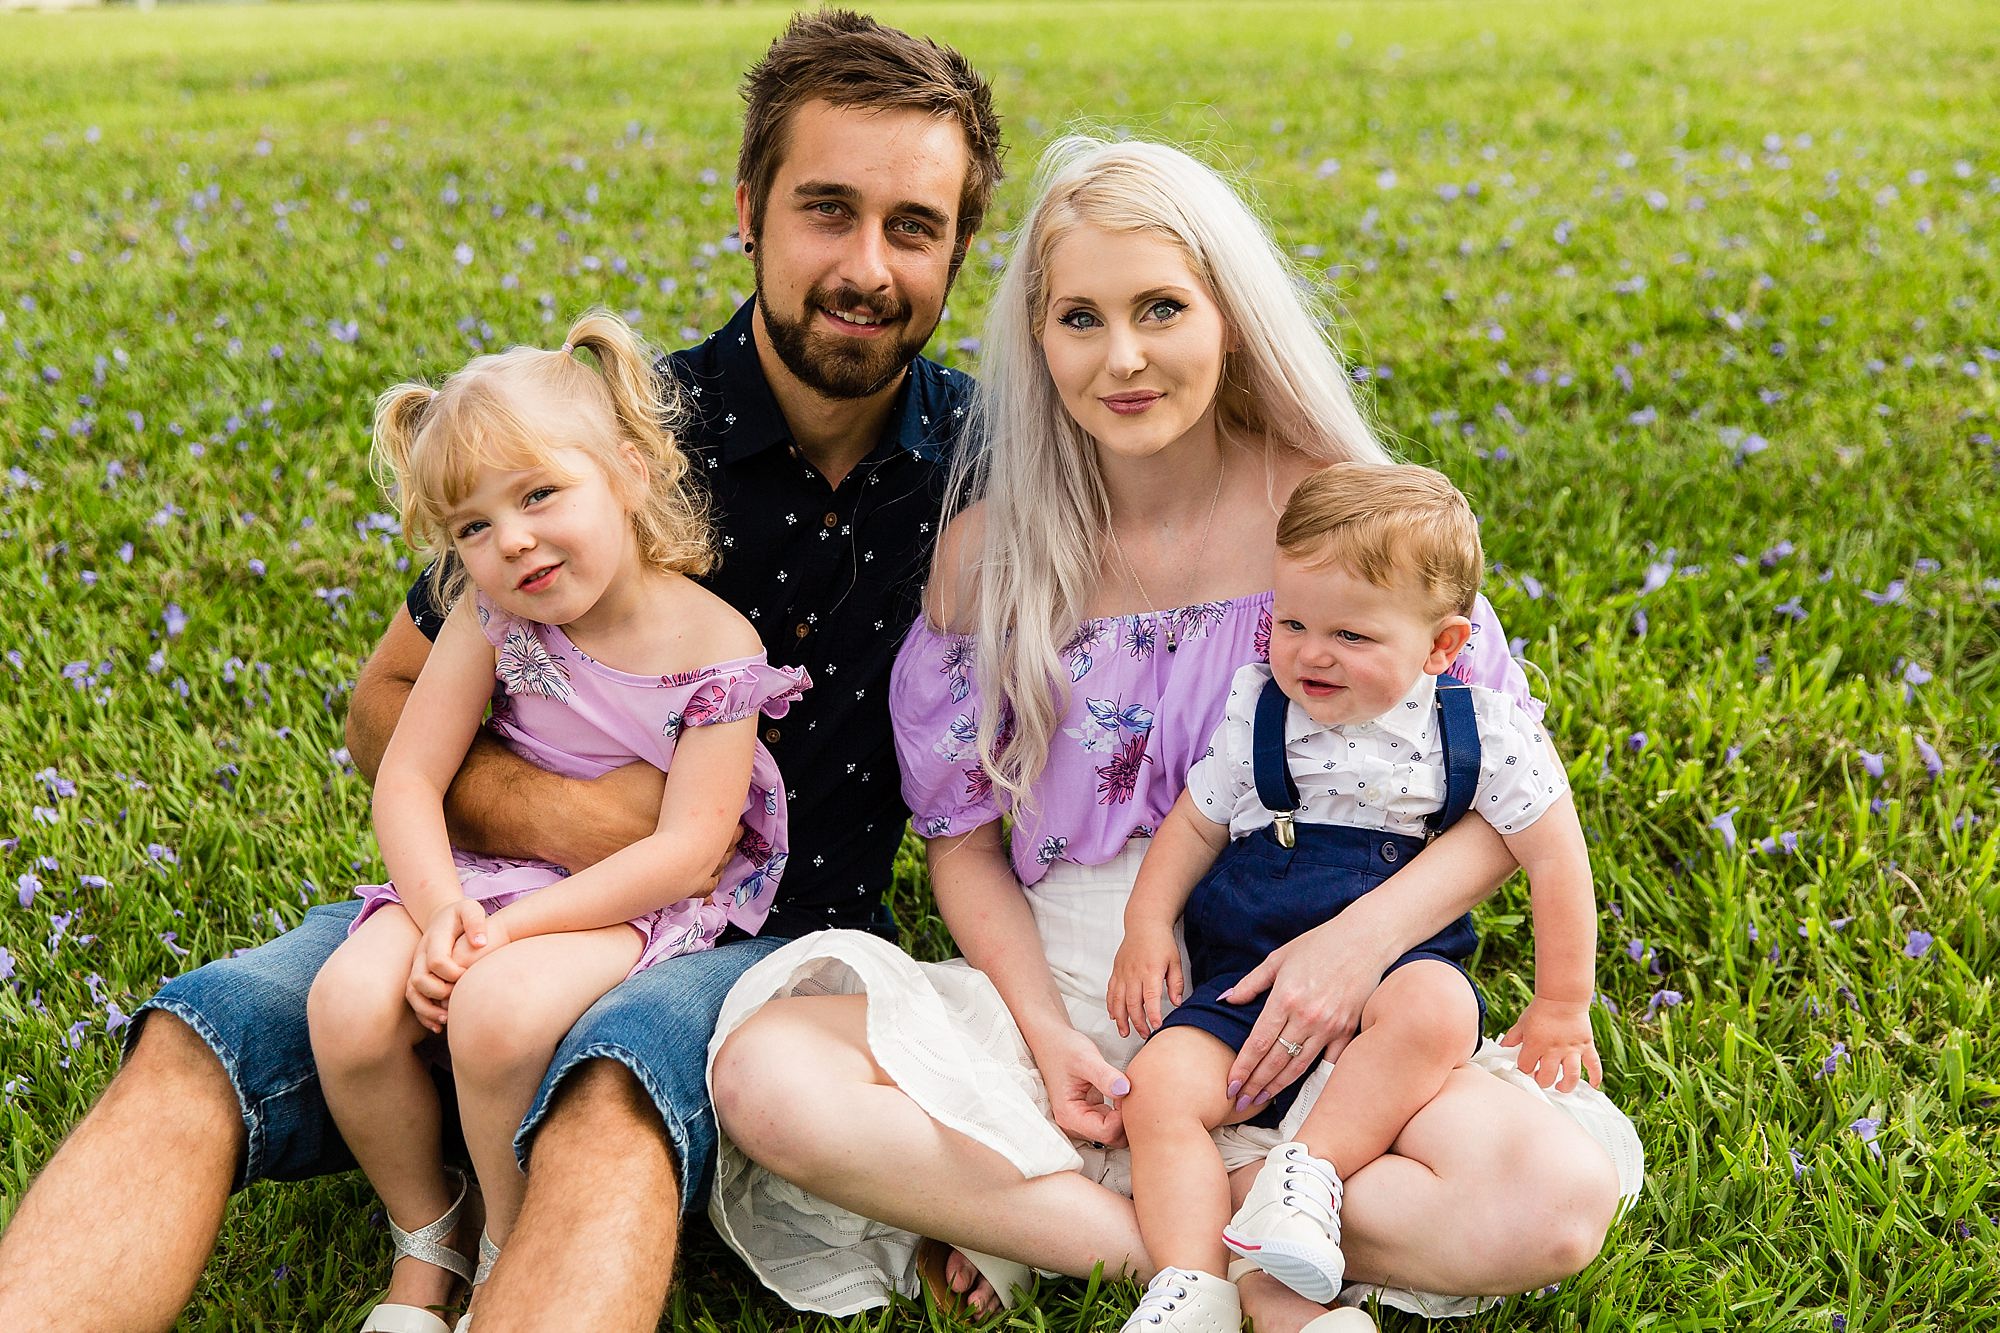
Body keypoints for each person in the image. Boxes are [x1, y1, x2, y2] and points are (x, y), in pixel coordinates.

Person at [0, 12, 1002, 1331]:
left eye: (914, 226)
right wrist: (559, 835)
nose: (865, 266)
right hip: (490, 897)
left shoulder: (994, 473)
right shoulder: (616, 433)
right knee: (206, 1040)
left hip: (768, 944)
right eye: (827, 209)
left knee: (607, 1099)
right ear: (751, 210)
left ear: (959, 249)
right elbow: (385, 706)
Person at [707, 137, 1643, 1331]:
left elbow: (1501, 798)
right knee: (770, 1077)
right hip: (1080, 1002)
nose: (1124, 357)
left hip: (1320, 1012)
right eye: (1079, 319)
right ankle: (1223, 1247)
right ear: (1038, 344)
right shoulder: (990, 557)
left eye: (1161, 308)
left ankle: (1109, 1222)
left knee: (1549, 1201)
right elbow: (961, 842)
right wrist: (1045, 1041)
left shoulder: (1335, 521)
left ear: (1230, 318)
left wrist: (1354, 947)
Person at [310, 308, 807, 1333]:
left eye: (539, 494)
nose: (513, 541)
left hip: (631, 898)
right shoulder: (493, 621)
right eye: (474, 528)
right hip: (483, 878)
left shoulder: (716, 648)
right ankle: (426, 1235)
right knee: (349, 1005)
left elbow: (687, 851)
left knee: (492, 1014)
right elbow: (405, 778)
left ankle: (504, 1239)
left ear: (627, 472)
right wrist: (443, 910)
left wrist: (508, 933)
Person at [1106, 461, 1602, 1328]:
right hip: (1247, 980)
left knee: (1441, 1007)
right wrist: (1147, 923)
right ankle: (1193, 1285)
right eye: (1291, 621)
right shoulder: (1258, 709)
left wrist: (1562, 1002)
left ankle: (1309, 1174)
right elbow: (1194, 826)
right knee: (1156, 1087)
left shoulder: (1478, 730)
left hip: (1393, 976)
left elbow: (1557, 858)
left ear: (1442, 646)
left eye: (1353, 636)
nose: (1311, 652)